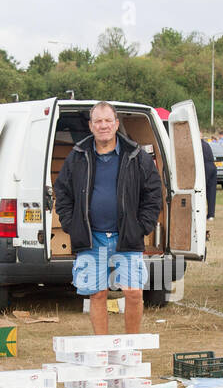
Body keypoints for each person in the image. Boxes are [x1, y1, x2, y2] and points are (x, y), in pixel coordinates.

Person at [53, 101, 162, 336]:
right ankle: (102, 348)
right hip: (92, 238)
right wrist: (72, 225)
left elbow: (153, 192)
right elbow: (62, 192)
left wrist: (143, 225)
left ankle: (131, 348)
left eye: (108, 121)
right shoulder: (78, 156)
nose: (103, 126)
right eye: (98, 121)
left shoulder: (136, 156)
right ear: (91, 126)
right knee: (98, 293)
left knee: (134, 292)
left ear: (116, 124)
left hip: (127, 236)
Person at [201, 135, 216, 219]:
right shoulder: (206, 144)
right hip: (212, 166)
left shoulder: (198, 144)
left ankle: (202, 212)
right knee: (211, 191)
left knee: (202, 190)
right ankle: (211, 214)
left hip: (205, 166)